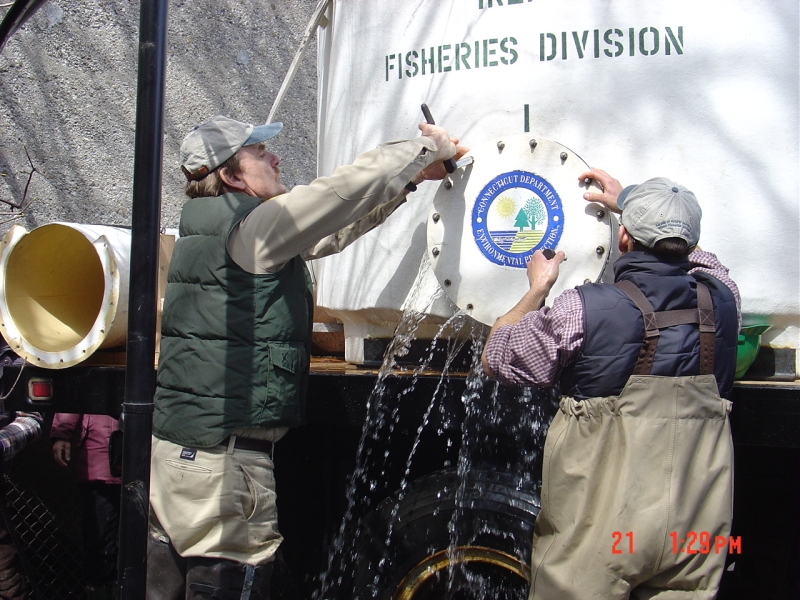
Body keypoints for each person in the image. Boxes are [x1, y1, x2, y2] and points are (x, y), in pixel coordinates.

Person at [147, 115, 465, 600]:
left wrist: (411, 180)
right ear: (231, 176)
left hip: (177, 458)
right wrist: (424, 149)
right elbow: (337, 193)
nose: (275, 158)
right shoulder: (252, 229)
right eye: (260, 154)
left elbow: (327, 231)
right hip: (222, 470)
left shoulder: (215, 228)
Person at [482, 168, 741, 600]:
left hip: (602, 539)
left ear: (623, 239)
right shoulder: (725, 299)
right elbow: (706, 261)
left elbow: (498, 355)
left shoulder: (582, 308)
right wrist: (637, 206)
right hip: (694, 538)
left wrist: (538, 288)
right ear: (689, 243)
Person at [51, 414, 121, 600]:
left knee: (138, 542)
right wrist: (62, 433)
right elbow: (73, 398)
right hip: (99, 457)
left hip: (145, 456)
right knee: (100, 541)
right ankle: (101, 593)